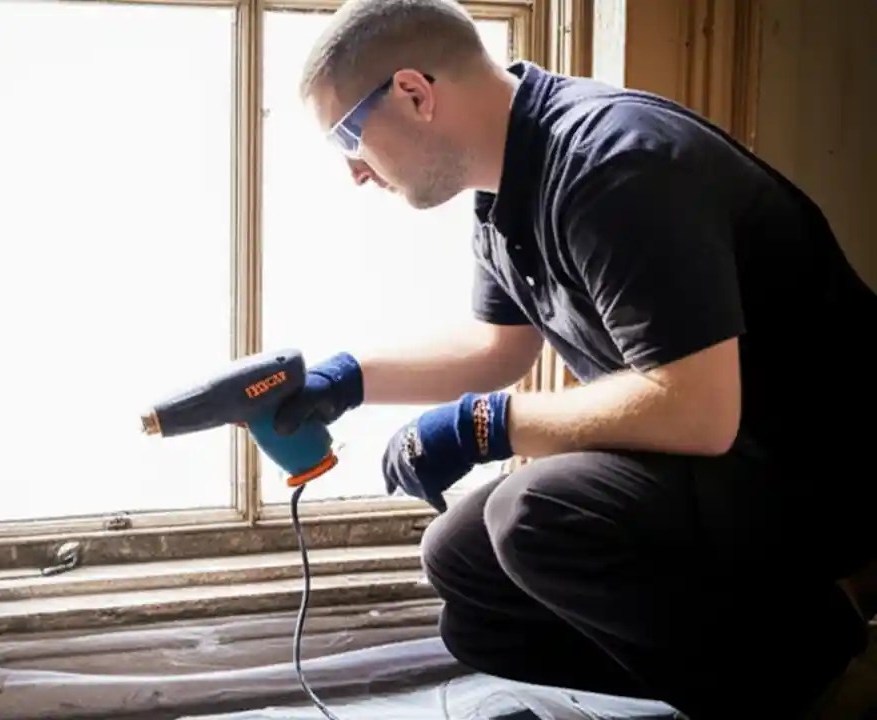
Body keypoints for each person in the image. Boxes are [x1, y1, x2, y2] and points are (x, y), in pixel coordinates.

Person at [269, 0, 877, 717]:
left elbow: (698, 411)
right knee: (468, 583)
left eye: (349, 136)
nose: (356, 173)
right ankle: (771, 660)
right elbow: (497, 347)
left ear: (414, 93)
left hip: (825, 472)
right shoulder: (508, 180)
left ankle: (824, 680)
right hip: (730, 463)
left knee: (536, 518)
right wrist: (344, 381)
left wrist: (483, 427)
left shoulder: (612, 166)